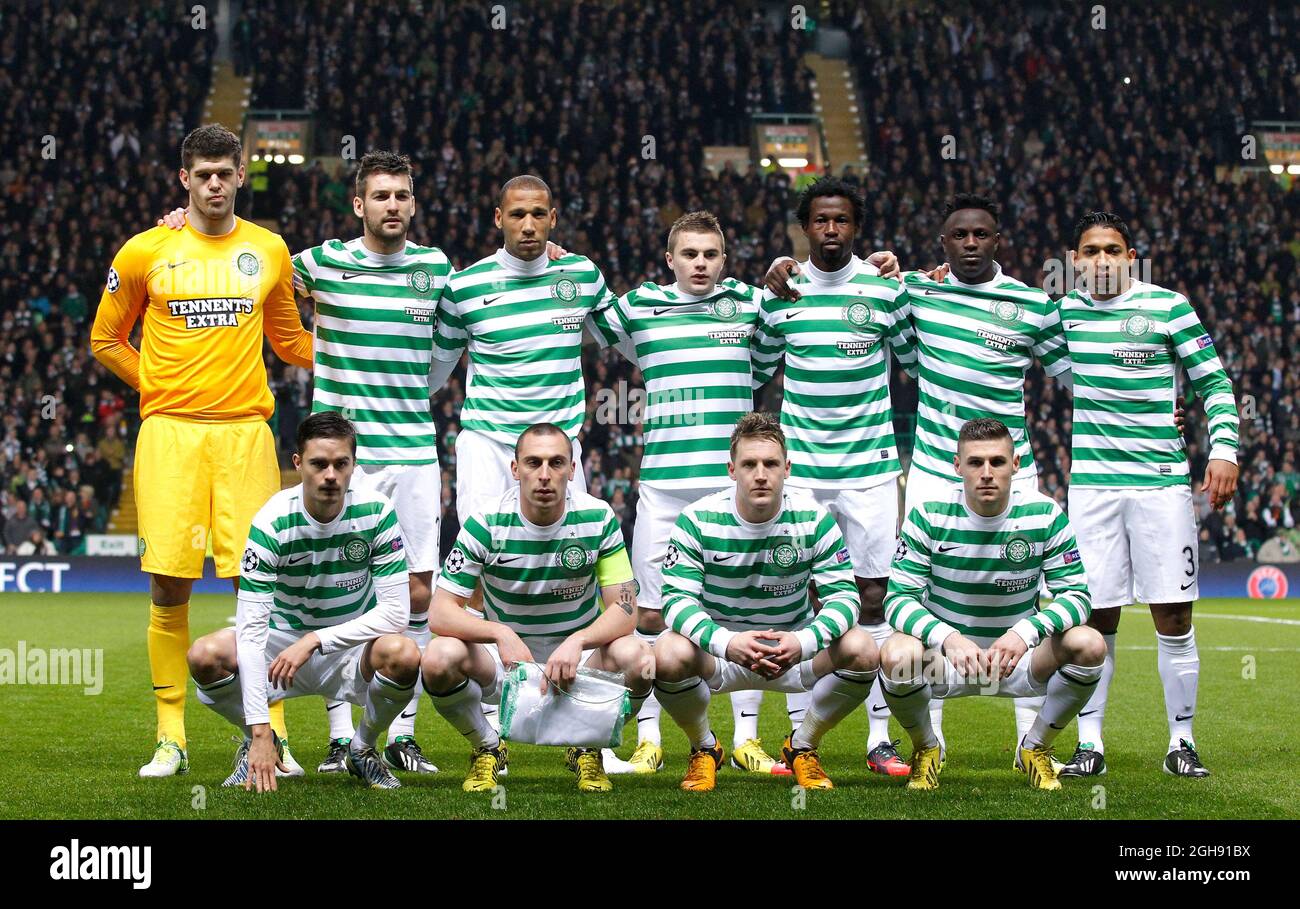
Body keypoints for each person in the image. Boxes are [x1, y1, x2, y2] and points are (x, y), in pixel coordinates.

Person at [91, 124, 314, 778]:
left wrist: (355, 341)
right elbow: (107, 339)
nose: (214, 184)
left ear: (241, 175)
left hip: (246, 435)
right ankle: (171, 737)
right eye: (203, 174)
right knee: (169, 579)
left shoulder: (270, 250)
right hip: (171, 436)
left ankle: (271, 729)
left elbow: (292, 342)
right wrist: (155, 382)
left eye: (225, 173)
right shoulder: (143, 252)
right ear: (183, 179)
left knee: (258, 582)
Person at [1045, 211, 1240, 777]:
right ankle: (1090, 745)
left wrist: (1223, 449)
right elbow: (1006, 318)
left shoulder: (1168, 306)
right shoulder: (1062, 314)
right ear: (1074, 263)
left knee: (1173, 613)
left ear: (1131, 258)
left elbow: (1214, 382)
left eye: (1112, 250)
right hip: (1092, 489)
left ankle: (1182, 743)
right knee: (1094, 617)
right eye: (1090, 251)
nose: (1101, 259)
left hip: (1160, 485)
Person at [752, 176, 915, 777]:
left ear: (856, 226)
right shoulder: (780, 293)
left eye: (841, 221)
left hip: (870, 469)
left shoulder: (883, 290)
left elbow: (919, 358)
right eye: (820, 221)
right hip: (802, 474)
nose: (830, 231)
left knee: (874, 595)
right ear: (805, 227)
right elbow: (757, 368)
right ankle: (800, 740)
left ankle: (878, 739)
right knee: (798, 596)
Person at [186, 412, 420, 791]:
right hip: (279, 646)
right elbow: (249, 631)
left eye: (341, 464)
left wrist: (316, 640)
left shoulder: (377, 512)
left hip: (347, 647)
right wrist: (261, 728)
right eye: (319, 464)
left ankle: (362, 749)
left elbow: (397, 612)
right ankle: (260, 746)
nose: (330, 475)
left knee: (404, 654)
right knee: (204, 656)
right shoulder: (272, 521)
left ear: (353, 464)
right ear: (298, 464)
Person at [420, 423, 653, 793]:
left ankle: (586, 747)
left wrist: (578, 640)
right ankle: (488, 746)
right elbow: (441, 612)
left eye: (556, 462)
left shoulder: (598, 517)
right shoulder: (486, 522)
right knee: (438, 656)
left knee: (640, 658)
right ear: (515, 469)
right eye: (533, 463)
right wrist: (500, 633)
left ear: (573, 470)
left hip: (579, 666)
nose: (545, 475)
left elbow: (625, 611)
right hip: (507, 665)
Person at [654, 412, 880, 791]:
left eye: (771, 463)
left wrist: (803, 642)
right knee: (666, 652)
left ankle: (803, 747)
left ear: (787, 468)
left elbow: (844, 599)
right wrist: (727, 642)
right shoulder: (697, 519)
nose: (761, 474)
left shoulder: (814, 519)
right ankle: (704, 749)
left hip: (793, 652)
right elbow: (675, 602)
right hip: (722, 655)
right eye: (749, 464)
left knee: (862, 648)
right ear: (732, 469)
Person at [880, 418, 1104, 791]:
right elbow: (897, 600)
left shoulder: (1045, 515)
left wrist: (1024, 633)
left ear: (1015, 464)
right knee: (895, 652)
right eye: (975, 463)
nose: (986, 473)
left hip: (1018, 662)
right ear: (957, 466)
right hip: (946, 664)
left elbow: (1078, 597)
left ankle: (1035, 748)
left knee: (1089, 644)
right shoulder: (928, 515)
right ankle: (926, 748)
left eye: (997, 462)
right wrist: (949, 638)